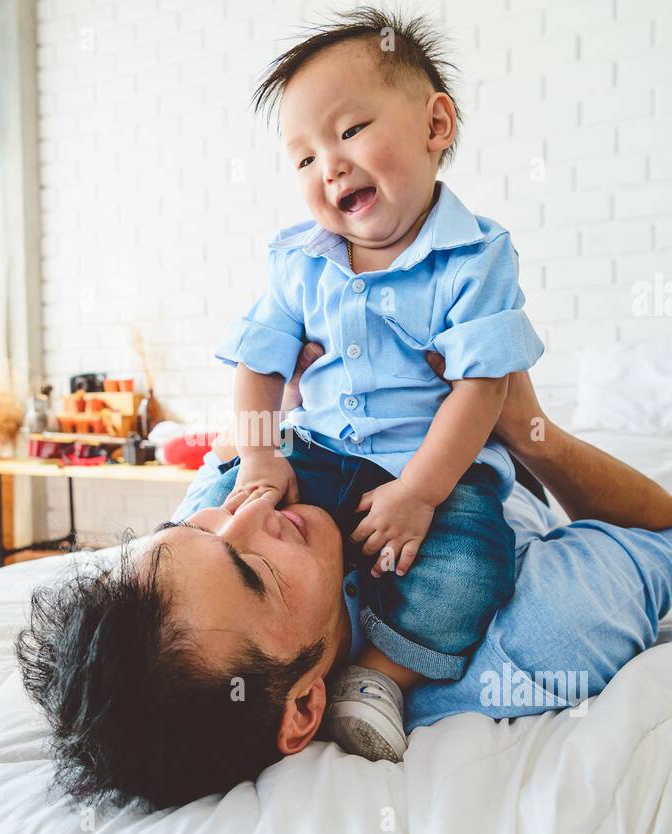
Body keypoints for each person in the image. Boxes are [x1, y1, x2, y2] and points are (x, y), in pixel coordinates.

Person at [15, 359, 672, 812]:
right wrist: (527, 430)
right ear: (304, 710)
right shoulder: (535, 640)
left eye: (196, 528)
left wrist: (306, 381)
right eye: (252, 573)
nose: (252, 510)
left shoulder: (224, 509)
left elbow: (242, 457)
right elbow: (668, 537)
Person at [215, 8, 544, 760]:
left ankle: (379, 674)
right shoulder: (298, 260)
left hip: (435, 468)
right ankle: (198, 610)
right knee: (226, 495)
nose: (327, 165)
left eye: (351, 130)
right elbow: (260, 362)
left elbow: (482, 388)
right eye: (302, 159)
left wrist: (422, 493)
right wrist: (263, 456)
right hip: (322, 446)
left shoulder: (476, 256)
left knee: (474, 559)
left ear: (436, 125)